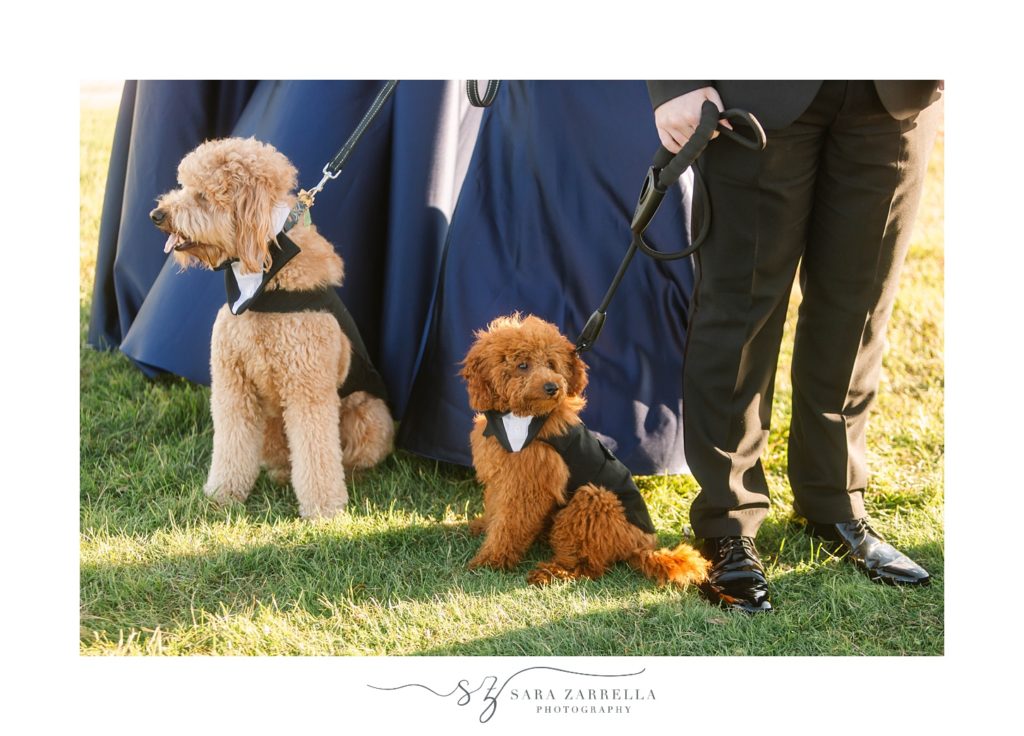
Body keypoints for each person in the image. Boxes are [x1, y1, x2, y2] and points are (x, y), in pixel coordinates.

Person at [647, 80, 942, 612]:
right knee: (740, 310)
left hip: (895, 84)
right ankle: (727, 517)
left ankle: (835, 502)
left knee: (858, 308)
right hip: (755, 84)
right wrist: (675, 81)